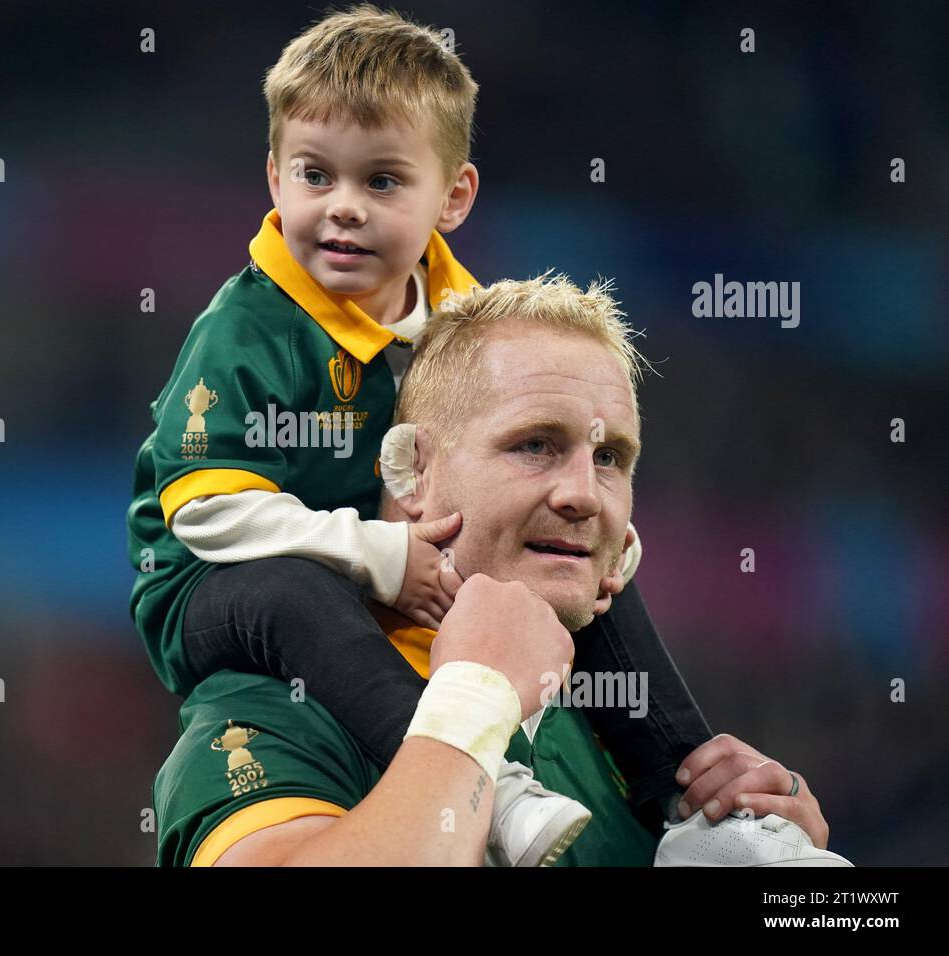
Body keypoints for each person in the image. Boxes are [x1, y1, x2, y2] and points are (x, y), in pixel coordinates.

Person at [126, 3, 710, 864]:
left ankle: (707, 802)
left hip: (377, 558)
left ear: (455, 197)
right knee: (297, 594)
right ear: (273, 180)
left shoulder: (463, 312)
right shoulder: (246, 329)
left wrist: (600, 542)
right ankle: (495, 789)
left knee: (596, 579)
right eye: (314, 176)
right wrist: (381, 556)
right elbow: (206, 518)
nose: (345, 210)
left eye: (383, 182)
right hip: (216, 579)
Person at [151, 274, 849, 867]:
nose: (583, 495)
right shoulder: (272, 716)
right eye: (536, 445)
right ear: (411, 471)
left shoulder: (621, 735)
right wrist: (473, 705)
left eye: (609, 459)